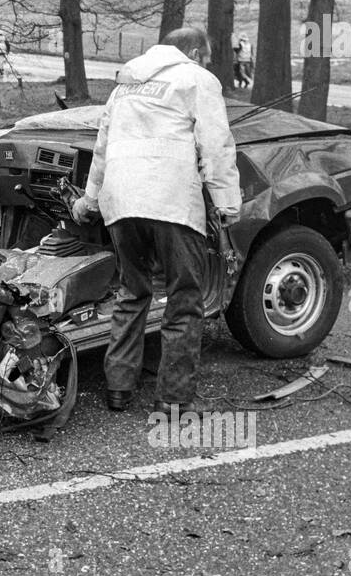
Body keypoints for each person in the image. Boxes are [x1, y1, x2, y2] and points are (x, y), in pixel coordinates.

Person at [71, 26, 241, 414]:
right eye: (208, 57)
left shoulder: (125, 85)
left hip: (122, 202)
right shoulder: (197, 79)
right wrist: (227, 204)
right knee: (184, 298)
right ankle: (174, 399)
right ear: (195, 53)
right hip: (172, 202)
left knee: (132, 293)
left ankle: (118, 388)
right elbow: (216, 145)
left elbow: (102, 148)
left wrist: (90, 199)